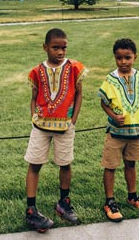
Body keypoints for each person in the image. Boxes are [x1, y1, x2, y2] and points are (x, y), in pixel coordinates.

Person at [23, 28, 87, 232]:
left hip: (65, 126)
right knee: (35, 163)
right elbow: (34, 96)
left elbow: (79, 95)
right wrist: (34, 116)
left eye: (64, 48)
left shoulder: (74, 67)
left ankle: (63, 203)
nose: (60, 52)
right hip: (41, 126)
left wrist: (73, 119)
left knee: (65, 163)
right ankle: (31, 210)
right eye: (55, 47)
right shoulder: (36, 71)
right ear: (45, 47)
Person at [98, 38, 139, 222]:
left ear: (135, 57)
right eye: (119, 58)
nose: (123, 62)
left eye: (127, 58)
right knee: (111, 165)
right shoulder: (111, 79)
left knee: (131, 163)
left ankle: (132, 196)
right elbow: (103, 102)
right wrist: (113, 117)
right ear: (115, 58)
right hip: (116, 133)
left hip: (136, 132)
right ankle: (110, 201)